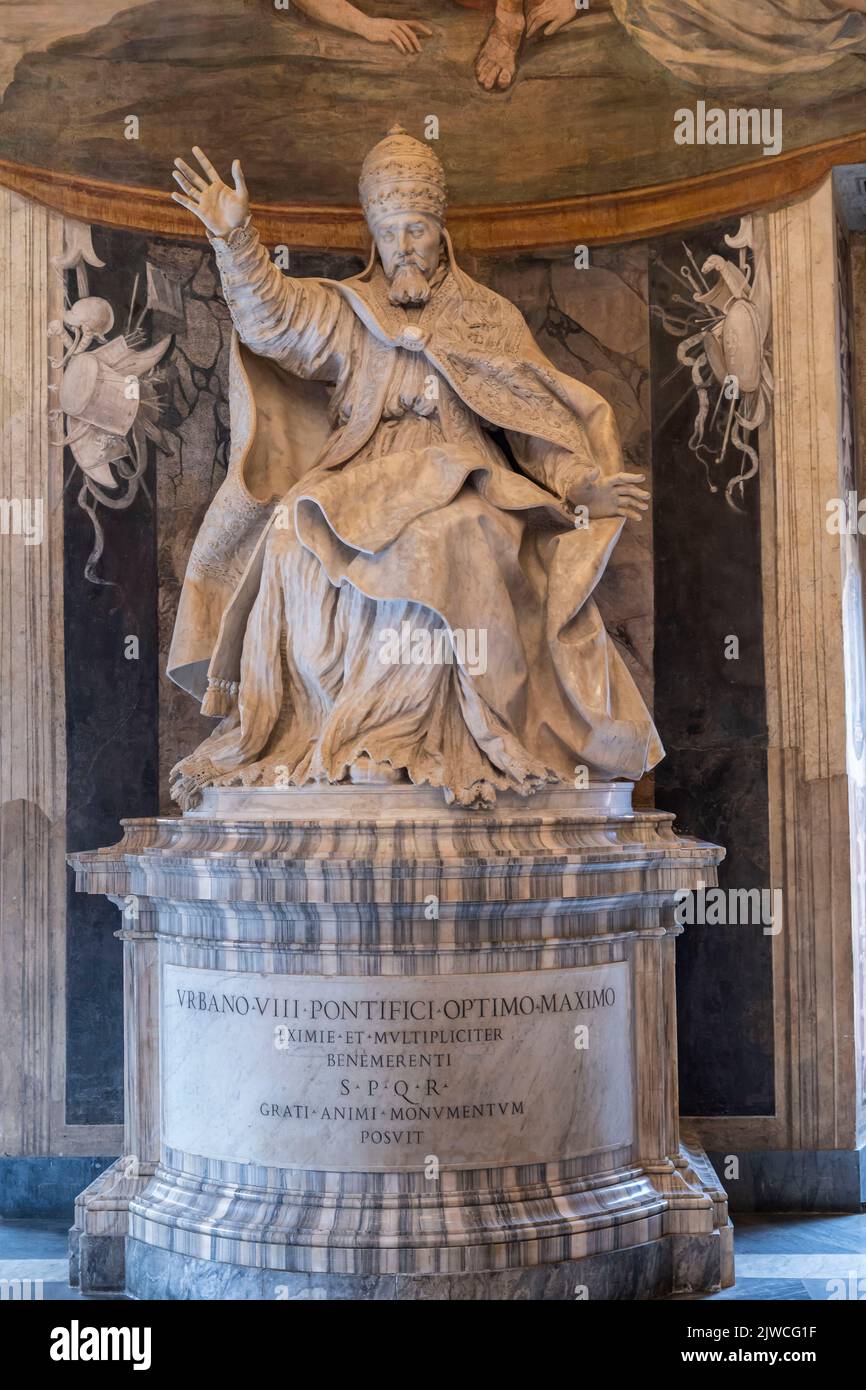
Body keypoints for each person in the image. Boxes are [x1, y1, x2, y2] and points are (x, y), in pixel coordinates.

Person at [167, 127, 661, 810]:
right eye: (393, 232)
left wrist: (585, 487)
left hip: (466, 479)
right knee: (287, 538)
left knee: (447, 539)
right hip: (357, 477)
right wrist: (235, 237)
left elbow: (538, 422)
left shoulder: (489, 319)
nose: (405, 246)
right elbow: (272, 321)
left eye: (418, 231)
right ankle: (309, 732)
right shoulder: (348, 311)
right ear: (374, 237)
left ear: (441, 236)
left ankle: (400, 739)